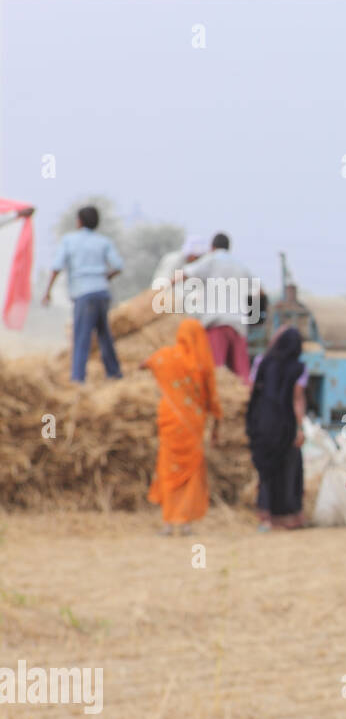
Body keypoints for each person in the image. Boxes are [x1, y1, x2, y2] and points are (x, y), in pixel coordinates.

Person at [140, 318, 222, 536]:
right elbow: (212, 395)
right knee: (191, 473)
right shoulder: (203, 362)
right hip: (192, 423)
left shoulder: (167, 356)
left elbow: (145, 363)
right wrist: (217, 420)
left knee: (169, 469)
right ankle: (185, 523)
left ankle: (168, 523)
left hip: (170, 420)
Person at [43, 205, 125, 383]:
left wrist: (48, 291)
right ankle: (115, 373)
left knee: (81, 336)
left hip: (83, 294)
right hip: (102, 292)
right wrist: (105, 277)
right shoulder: (103, 241)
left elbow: (57, 267)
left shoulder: (69, 240)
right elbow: (118, 266)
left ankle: (78, 379)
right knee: (104, 335)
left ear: (79, 222)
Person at [246, 325, 306, 530]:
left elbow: (252, 389)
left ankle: (264, 516)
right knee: (288, 467)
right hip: (284, 425)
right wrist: (299, 429)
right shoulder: (298, 367)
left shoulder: (262, 362)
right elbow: (297, 399)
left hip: (261, 422)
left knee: (265, 470)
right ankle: (288, 517)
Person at [182, 232, 257, 383]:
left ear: (212, 247)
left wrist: (162, 288)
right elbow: (258, 292)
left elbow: (186, 273)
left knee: (216, 369)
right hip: (238, 325)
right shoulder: (240, 265)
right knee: (243, 373)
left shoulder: (211, 259)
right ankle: (246, 400)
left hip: (217, 323)